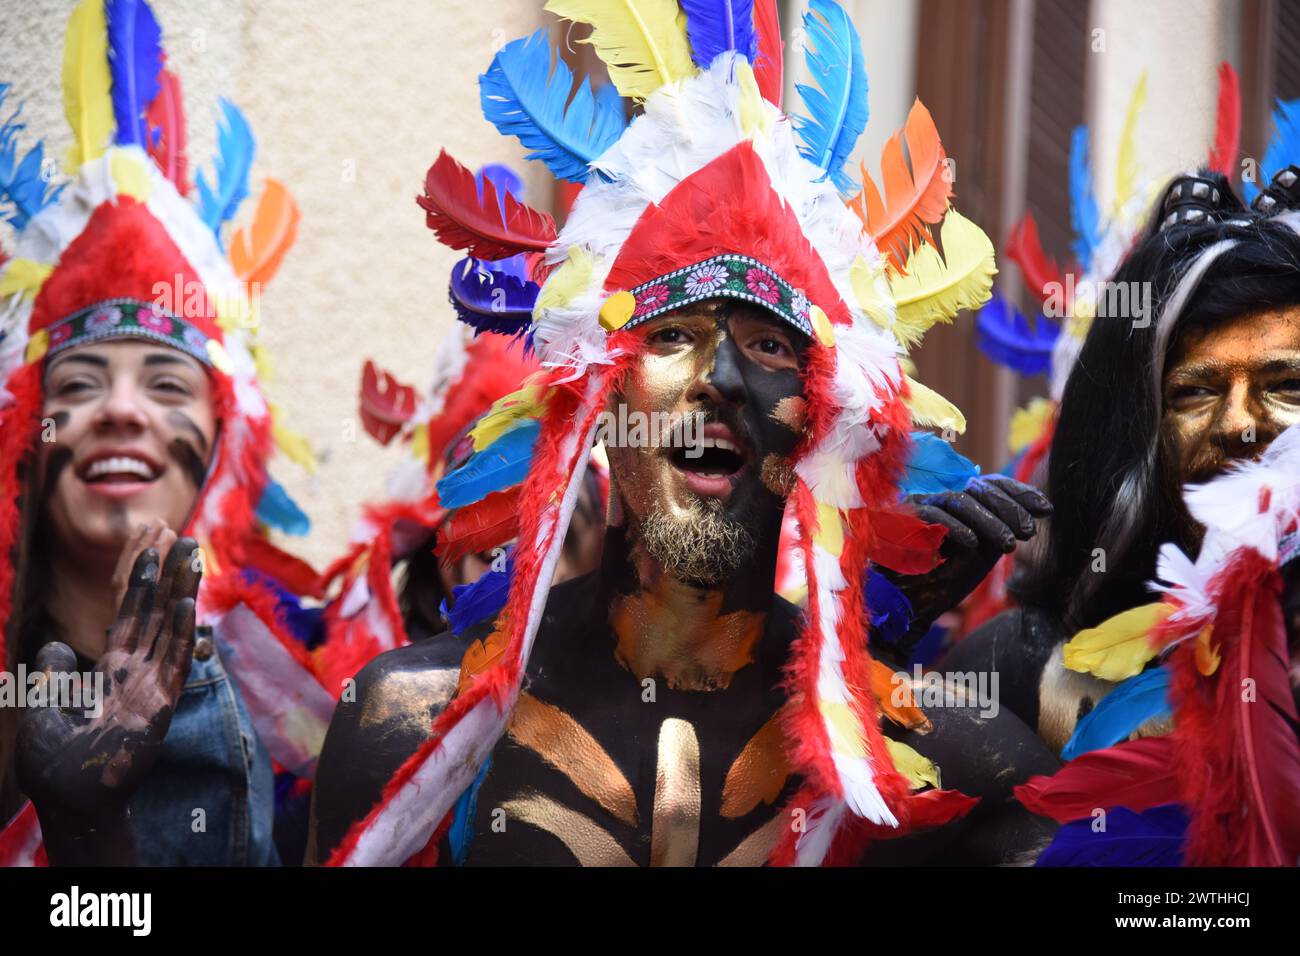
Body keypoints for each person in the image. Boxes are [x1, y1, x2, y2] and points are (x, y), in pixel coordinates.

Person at [308, 0, 1058, 867]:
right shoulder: (406, 727)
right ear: (599, 388)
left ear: (822, 412)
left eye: (770, 345)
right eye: (670, 334)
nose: (724, 379)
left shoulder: (940, 763)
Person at [0, 0, 320, 865]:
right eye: (80, 380)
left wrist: (93, 831)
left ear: (225, 439)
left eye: (167, 380)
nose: (123, 409)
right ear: (24, 433)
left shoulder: (312, 714)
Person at [944, 160, 1300, 755]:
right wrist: (881, 628)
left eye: (1286, 385)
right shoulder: (1023, 668)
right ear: (1137, 435)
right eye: (1195, 391)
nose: (1238, 424)